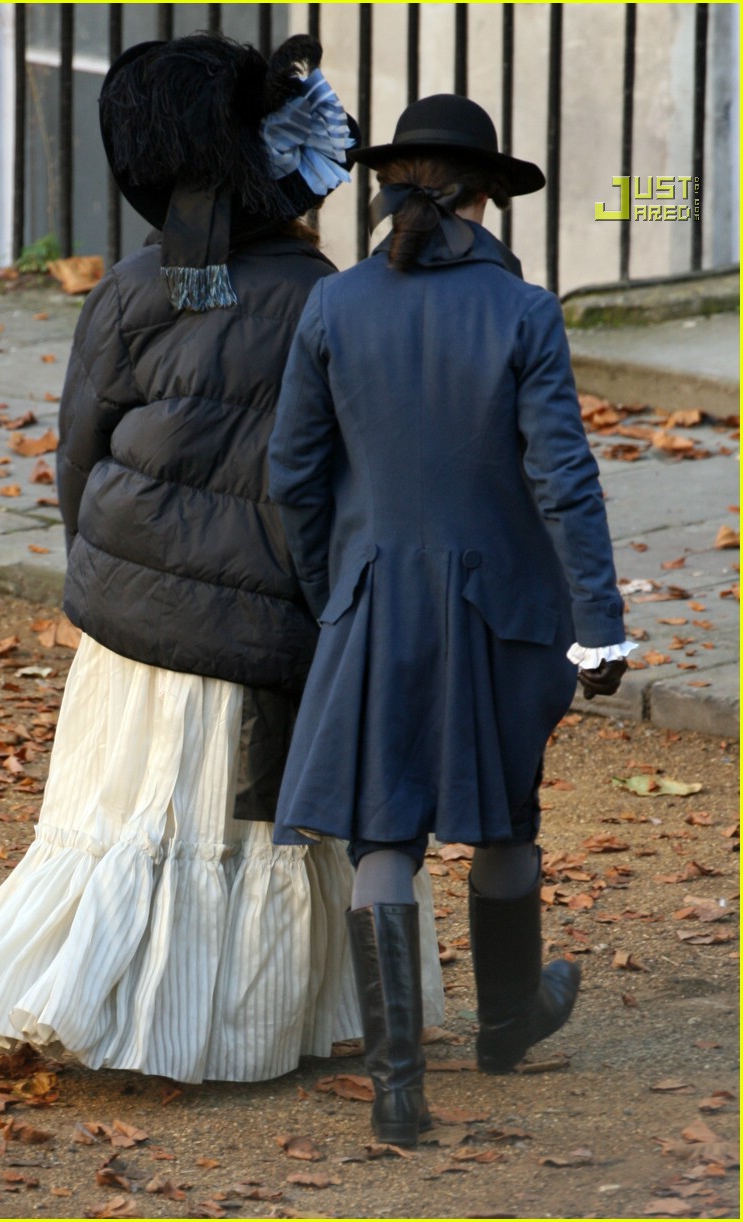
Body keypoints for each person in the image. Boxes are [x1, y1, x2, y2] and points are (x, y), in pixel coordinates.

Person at [0, 34, 445, 1083]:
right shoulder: (334, 301)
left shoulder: (131, 288)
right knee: (237, 836)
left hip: (130, 624)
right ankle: (228, 1030)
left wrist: (112, 575)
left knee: (122, 820)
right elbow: (357, 490)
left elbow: (79, 454)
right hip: (265, 630)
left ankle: (86, 999)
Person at [267, 93, 634, 1144]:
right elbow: (563, 477)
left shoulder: (334, 306)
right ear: (480, 198)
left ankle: (397, 1087)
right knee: (504, 814)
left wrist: (329, 584)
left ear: (388, 194)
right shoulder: (522, 312)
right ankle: (507, 1024)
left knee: (387, 829)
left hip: (371, 599)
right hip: (503, 609)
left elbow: (293, 471)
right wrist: (600, 622)